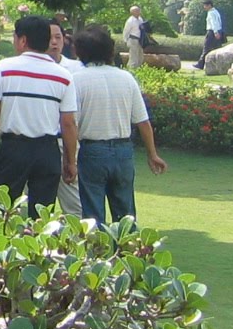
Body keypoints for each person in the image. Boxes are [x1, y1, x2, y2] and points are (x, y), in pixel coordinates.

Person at [70, 24, 168, 226]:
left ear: (79, 52)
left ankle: (98, 256)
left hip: (92, 151)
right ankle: (127, 254)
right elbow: (143, 122)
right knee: (126, 216)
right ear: (109, 50)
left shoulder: (76, 81)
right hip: (123, 150)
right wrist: (152, 154)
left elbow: (71, 124)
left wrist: (69, 160)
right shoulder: (126, 78)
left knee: (93, 216)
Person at [0, 14, 78, 214]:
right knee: (41, 215)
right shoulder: (63, 76)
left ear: (23, 40)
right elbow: (68, 123)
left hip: (13, 148)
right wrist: (70, 161)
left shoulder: (4, 68)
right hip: (47, 150)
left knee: (2, 211)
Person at [49, 20, 84, 216]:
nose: (54, 42)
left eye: (58, 37)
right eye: (49, 38)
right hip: (40, 142)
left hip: (68, 140)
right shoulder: (30, 69)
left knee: (76, 206)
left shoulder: (77, 69)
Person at [196, 0, 225, 70]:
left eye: (205, 5)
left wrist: (215, 32)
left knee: (206, 48)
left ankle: (201, 64)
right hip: (218, 31)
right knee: (217, 48)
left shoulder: (211, 13)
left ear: (209, 5)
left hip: (212, 32)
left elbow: (213, 23)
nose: (204, 7)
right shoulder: (216, 11)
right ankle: (220, 64)